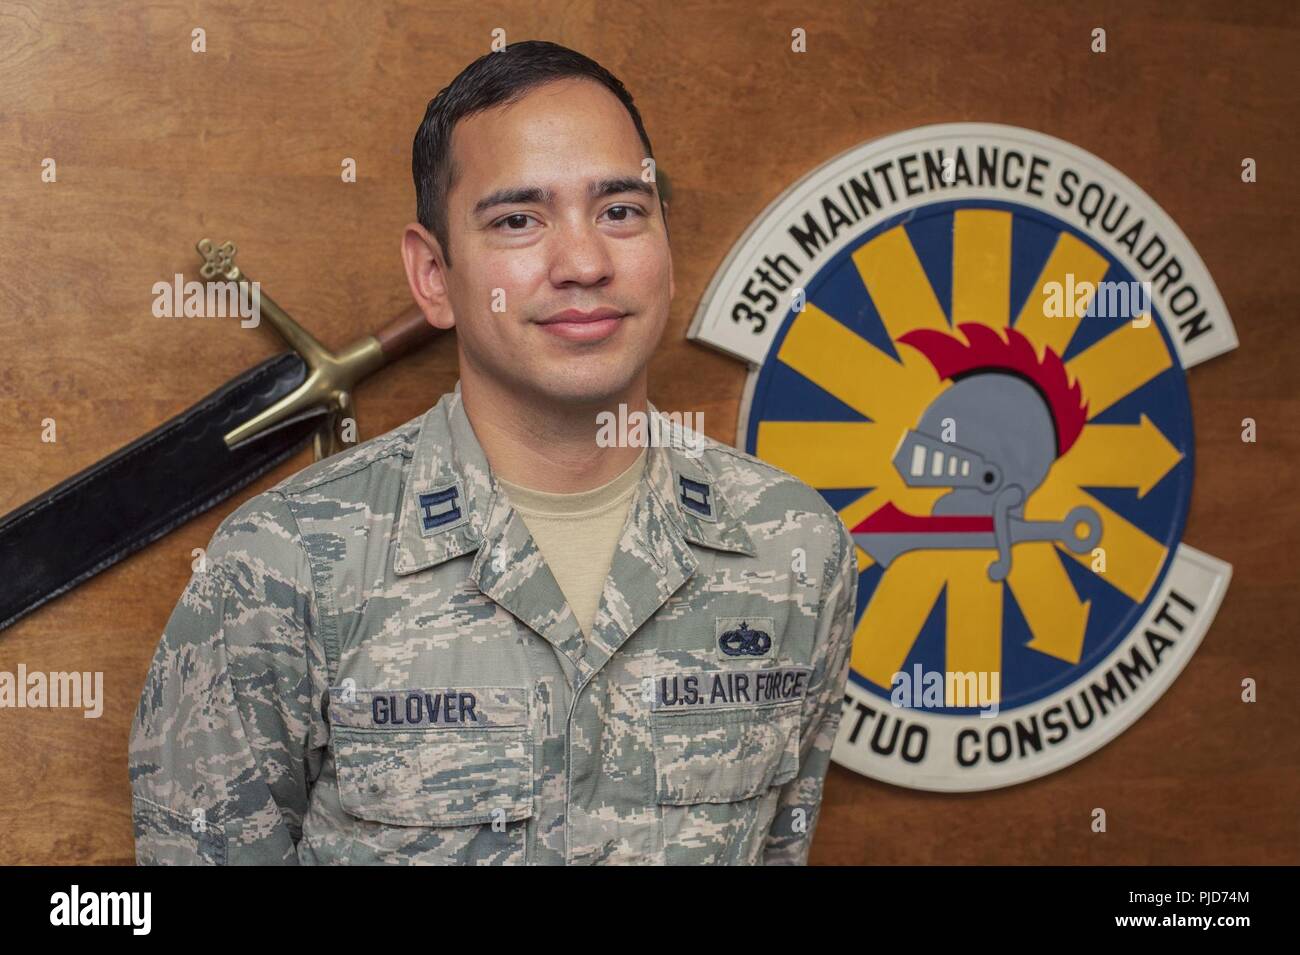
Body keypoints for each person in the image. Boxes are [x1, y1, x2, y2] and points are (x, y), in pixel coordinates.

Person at [129, 39, 858, 865]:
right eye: (518, 219)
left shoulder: (794, 546)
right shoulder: (288, 561)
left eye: (621, 211)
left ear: (664, 244)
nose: (584, 262)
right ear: (434, 274)